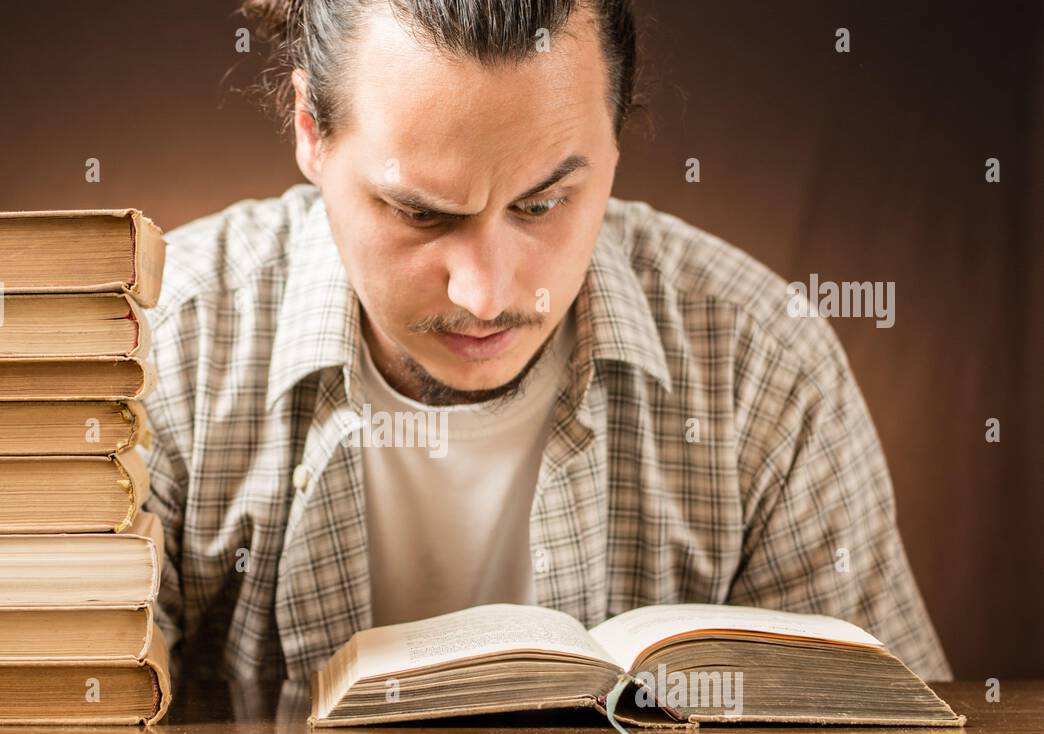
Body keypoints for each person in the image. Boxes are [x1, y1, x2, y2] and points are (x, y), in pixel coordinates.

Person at [138, 0, 953, 682]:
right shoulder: (159, 354)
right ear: (312, 129)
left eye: (543, 204)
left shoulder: (761, 365)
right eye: (422, 212)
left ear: (617, 138)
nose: (487, 293)